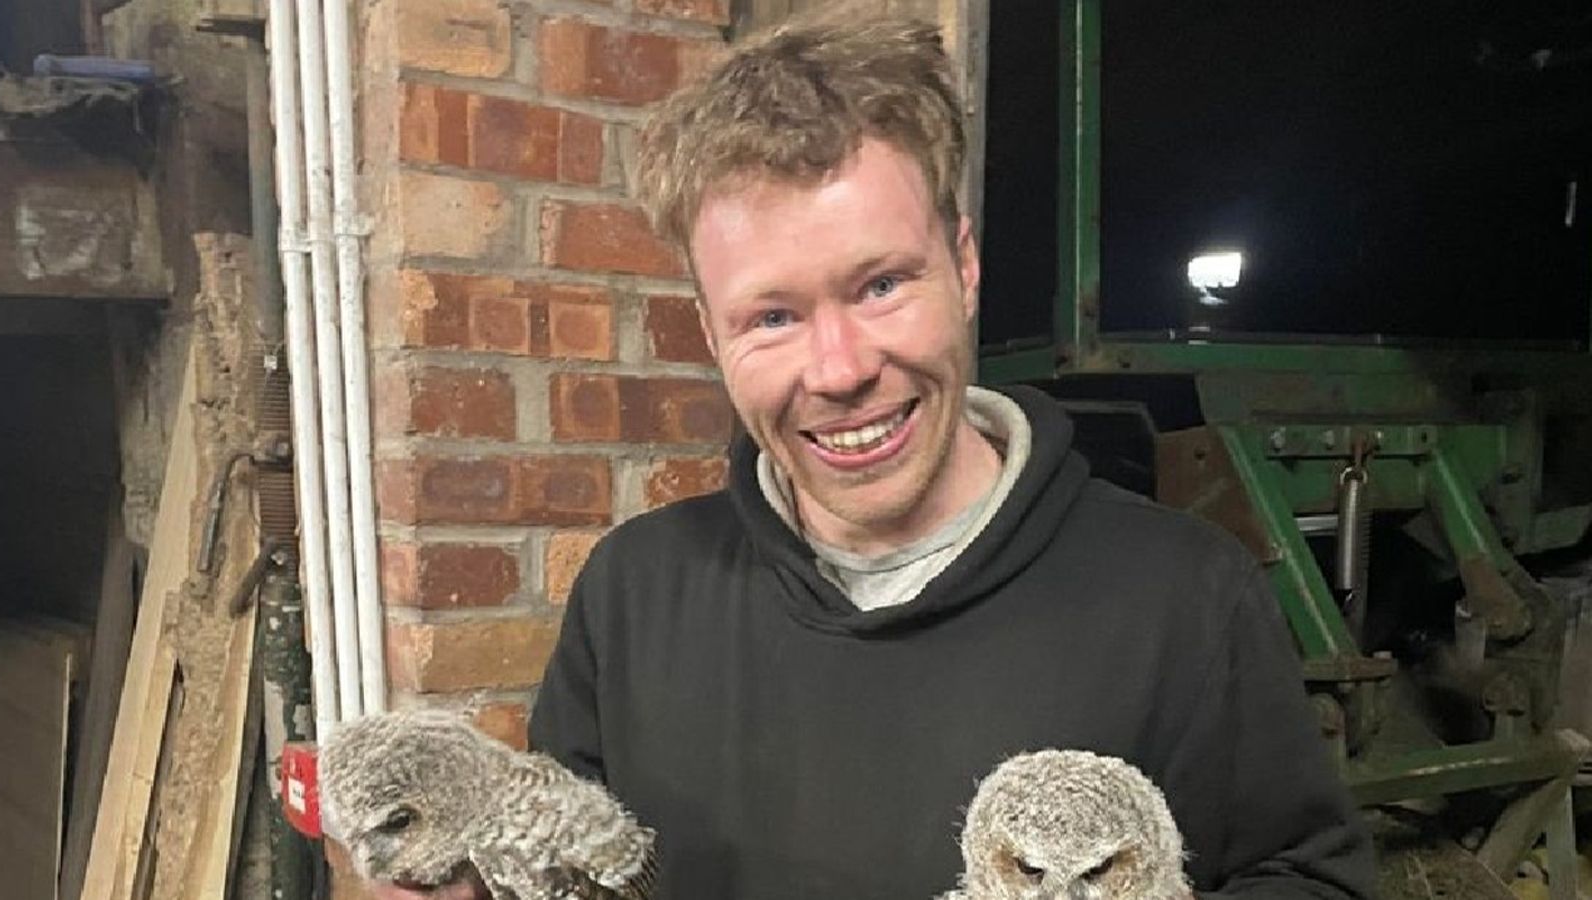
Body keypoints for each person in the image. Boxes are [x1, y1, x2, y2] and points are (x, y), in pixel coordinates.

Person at [373, 16, 1375, 900]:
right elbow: (568, 879)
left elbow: (1311, 879)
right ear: (713, 337)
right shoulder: (633, 595)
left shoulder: (1182, 597)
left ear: (965, 264)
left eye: (881, 285)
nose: (841, 368)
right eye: (772, 315)